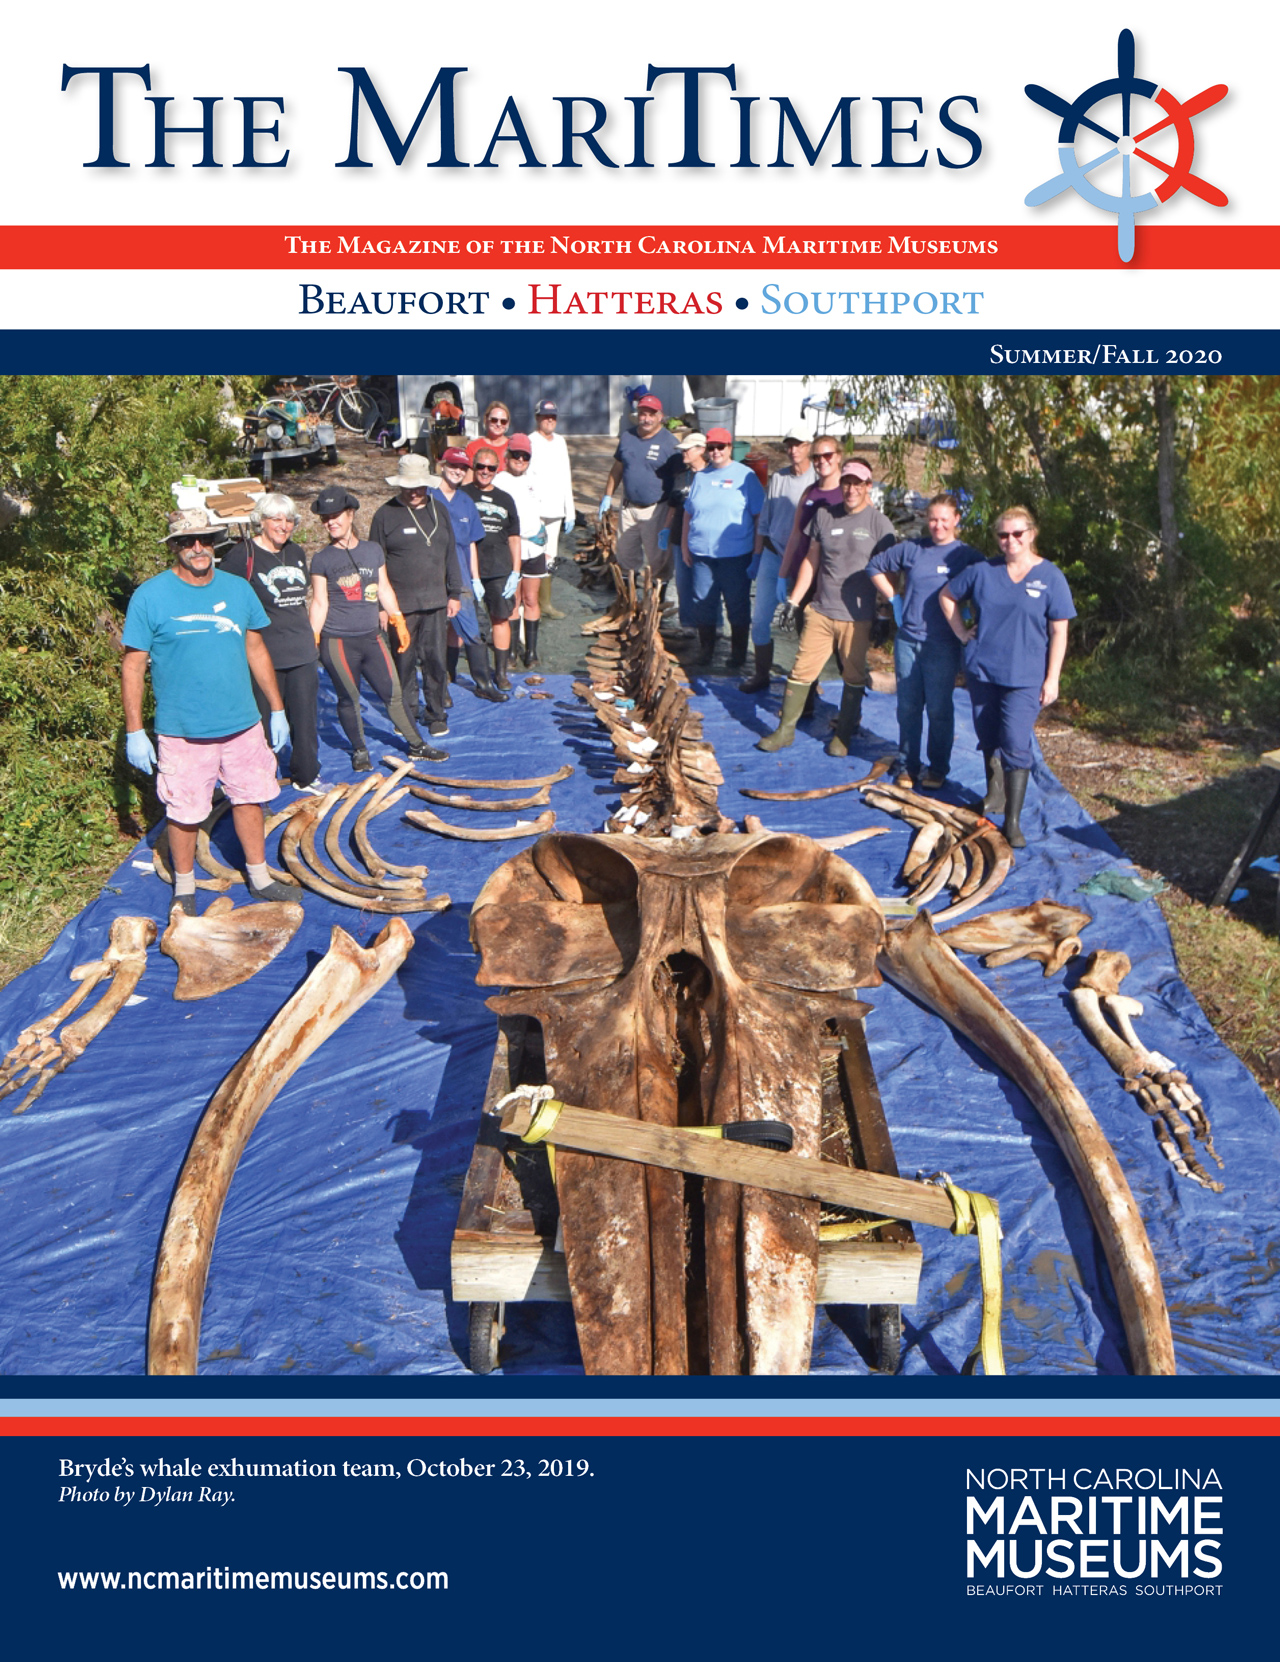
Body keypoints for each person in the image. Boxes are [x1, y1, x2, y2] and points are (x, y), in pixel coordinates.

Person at [121, 506, 296, 916]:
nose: (198, 548)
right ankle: (184, 887)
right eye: (187, 541)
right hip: (183, 730)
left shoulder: (238, 589)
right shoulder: (150, 596)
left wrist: (276, 708)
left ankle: (259, 875)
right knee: (184, 811)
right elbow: (132, 665)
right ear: (174, 547)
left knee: (250, 799)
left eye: (204, 540)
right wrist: (134, 730)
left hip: (242, 725)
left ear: (215, 543)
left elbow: (255, 648)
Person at [939, 504, 1075, 848]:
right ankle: (993, 797)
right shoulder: (983, 571)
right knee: (987, 735)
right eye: (1003, 534)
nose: (1010, 540)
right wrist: (961, 632)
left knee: (1015, 740)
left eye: (1017, 533)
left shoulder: (1051, 577)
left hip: (1026, 675)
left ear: (1031, 534)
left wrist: (1052, 678)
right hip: (983, 669)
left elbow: (1059, 631)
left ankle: (1012, 821)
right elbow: (947, 595)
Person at [758, 459, 895, 755]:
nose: (851, 489)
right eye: (847, 482)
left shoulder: (879, 524)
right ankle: (784, 731)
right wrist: (795, 600)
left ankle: (843, 735)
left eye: (858, 484)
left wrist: (884, 613)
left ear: (868, 486)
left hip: (857, 617)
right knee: (801, 670)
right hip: (821, 610)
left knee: (853, 674)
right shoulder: (824, 516)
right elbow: (811, 559)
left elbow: (890, 573)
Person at [306, 486, 443, 772]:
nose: (331, 522)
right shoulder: (322, 559)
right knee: (349, 697)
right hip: (338, 641)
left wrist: (398, 619)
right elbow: (319, 602)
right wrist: (313, 637)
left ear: (350, 514)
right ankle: (359, 749)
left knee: (393, 692)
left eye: (336, 516)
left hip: (371, 638)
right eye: (325, 518)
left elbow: (383, 587)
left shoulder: (372, 551)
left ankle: (417, 745)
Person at [867, 492, 985, 789]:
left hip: (943, 644)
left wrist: (972, 617)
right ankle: (908, 764)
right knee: (908, 706)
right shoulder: (912, 549)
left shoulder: (967, 556)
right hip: (908, 640)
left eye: (944, 520)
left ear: (956, 520)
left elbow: (989, 586)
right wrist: (893, 599)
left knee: (938, 708)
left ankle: (938, 767)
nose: (938, 525)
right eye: (933, 519)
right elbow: (875, 567)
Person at [219, 492, 324, 794]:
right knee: (261, 722)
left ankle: (307, 774)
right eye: (276, 519)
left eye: (289, 520)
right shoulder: (243, 556)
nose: (284, 525)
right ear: (261, 522)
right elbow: (223, 594)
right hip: (264, 655)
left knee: (304, 719)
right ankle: (261, 778)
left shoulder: (297, 553)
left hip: (302, 651)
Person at [370, 454, 466, 740]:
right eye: (408, 485)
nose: (414, 491)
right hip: (400, 606)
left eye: (419, 485)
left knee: (436, 660)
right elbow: (375, 564)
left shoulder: (439, 510)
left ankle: (436, 712)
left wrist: (455, 592)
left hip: (436, 601)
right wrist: (380, 606)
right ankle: (407, 713)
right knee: (404, 662)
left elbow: (451, 553)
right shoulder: (385, 515)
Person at [681, 428, 766, 669]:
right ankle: (706, 650)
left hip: (735, 556)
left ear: (730, 448)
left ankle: (738, 654)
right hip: (702, 555)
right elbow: (688, 513)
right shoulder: (700, 477)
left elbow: (759, 517)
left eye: (721, 447)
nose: (716, 452)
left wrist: (757, 554)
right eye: (712, 447)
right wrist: (686, 546)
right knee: (703, 602)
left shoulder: (746, 476)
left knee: (736, 603)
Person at [432, 447, 508, 703]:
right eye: (454, 465)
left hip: (461, 573)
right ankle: (440, 685)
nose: (457, 471)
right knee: (434, 632)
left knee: (471, 629)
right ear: (442, 465)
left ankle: (483, 682)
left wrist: (475, 578)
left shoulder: (466, 502)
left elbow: (471, 543)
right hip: (431, 574)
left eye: (463, 468)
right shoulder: (428, 496)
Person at [742, 424, 814, 695]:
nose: (793, 450)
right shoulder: (779, 478)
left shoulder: (817, 481)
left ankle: (807, 679)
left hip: (804, 561)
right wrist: (757, 556)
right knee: (760, 618)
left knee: (803, 621)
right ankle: (762, 673)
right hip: (773, 554)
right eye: (789, 445)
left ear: (809, 446)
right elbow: (765, 521)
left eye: (799, 444)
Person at [600, 392, 681, 585]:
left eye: (651, 414)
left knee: (658, 560)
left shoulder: (670, 444)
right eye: (643, 413)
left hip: (656, 510)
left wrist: (673, 515)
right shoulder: (627, 437)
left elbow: (680, 480)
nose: (646, 418)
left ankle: (656, 606)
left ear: (660, 416)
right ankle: (629, 602)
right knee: (626, 556)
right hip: (628, 507)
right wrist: (607, 496)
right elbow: (617, 468)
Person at [464, 447, 523, 689]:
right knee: (462, 622)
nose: (485, 472)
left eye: (490, 468)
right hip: (468, 569)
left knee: (501, 619)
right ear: (474, 467)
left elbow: (514, 537)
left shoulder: (505, 499)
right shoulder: (463, 495)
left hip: (500, 568)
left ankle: (500, 672)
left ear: (497, 470)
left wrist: (516, 571)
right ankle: (451, 672)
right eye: (481, 467)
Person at [495, 434, 549, 668]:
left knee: (531, 598)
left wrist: (543, 534)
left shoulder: (536, 479)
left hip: (534, 546)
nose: (520, 459)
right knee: (513, 599)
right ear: (507, 456)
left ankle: (531, 651)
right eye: (515, 454)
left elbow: (542, 510)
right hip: (511, 547)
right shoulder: (499, 481)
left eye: (524, 456)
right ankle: (511, 651)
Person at [528, 398, 575, 620]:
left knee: (550, 556)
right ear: (537, 417)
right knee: (532, 554)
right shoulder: (530, 441)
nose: (549, 420)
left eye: (553, 416)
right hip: (535, 510)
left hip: (556, 510)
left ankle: (545, 603)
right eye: (545, 416)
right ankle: (529, 601)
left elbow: (566, 475)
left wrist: (570, 511)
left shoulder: (561, 442)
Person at [661, 431, 707, 636]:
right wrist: (665, 528)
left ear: (701, 450)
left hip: (704, 538)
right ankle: (688, 624)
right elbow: (672, 505)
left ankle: (712, 624)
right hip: (680, 536)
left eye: (686, 450)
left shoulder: (711, 476)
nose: (683, 454)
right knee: (683, 582)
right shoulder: (681, 476)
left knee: (705, 583)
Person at [465, 401, 512, 473]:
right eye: (494, 420)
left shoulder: (512, 447)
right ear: (486, 420)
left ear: (508, 423)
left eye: (503, 421)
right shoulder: (473, 447)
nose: (498, 424)